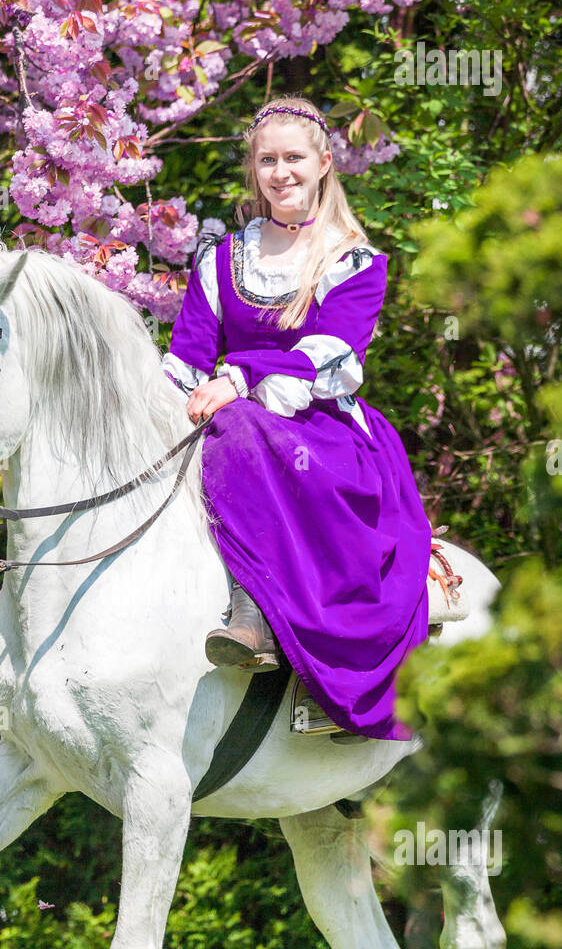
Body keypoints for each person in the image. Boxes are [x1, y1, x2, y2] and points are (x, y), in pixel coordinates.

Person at [162, 95, 432, 741]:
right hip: (230, 415)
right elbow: (184, 360)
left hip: (318, 427)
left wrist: (241, 379)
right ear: (254, 171)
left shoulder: (353, 260)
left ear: (323, 164)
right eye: (267, 161)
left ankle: (257, 618)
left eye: (293, 159)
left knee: (238, 429)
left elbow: (331, 356)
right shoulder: (222, 256)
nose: (280, 172)